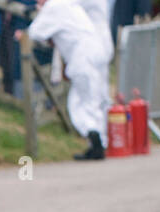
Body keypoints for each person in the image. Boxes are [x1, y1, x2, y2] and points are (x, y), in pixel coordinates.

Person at [19, 0, 112, 159]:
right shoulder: (68, 3)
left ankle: (93, 134)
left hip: (82, 56)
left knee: (78, 102)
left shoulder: (53, 7)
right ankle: (100, 143)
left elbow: (36, 32)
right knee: (96, 98)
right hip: (98, 49)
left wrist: (23, 32)